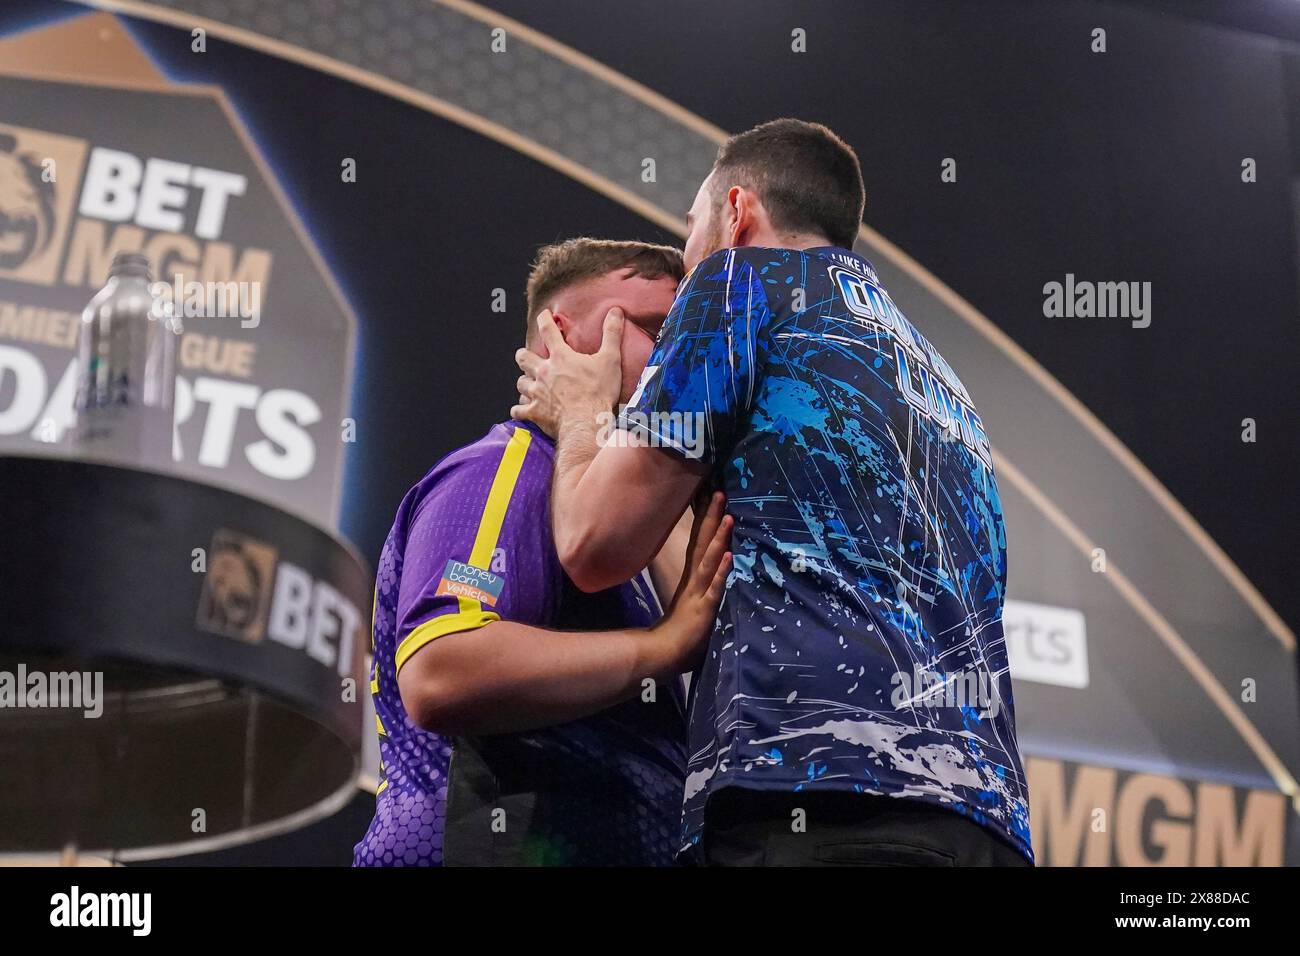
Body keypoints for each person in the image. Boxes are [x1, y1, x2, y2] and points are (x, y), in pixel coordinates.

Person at [514, 119, 1033, 866]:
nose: (687, 260)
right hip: (986, 820)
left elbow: (595, 545)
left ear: (737, 213)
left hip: (813, 800)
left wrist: (582, 414)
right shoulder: (945, 386)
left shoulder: (735, 283)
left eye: (689, 229)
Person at [354, 238, 732, 866]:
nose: (678, 362)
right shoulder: (508, 468)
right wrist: (660, 647)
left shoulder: (612, 520)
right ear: (561, 335)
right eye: (655, 331)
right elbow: (443, 666)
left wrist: (597, 428)